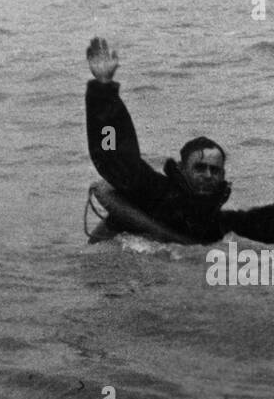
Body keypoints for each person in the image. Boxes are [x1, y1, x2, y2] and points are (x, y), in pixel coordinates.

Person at [84, 37, 231, 244]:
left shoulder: (211, 210)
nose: (208, 175)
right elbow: (113, 158)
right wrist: (104, 91)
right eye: (200, 168)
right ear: (182, 169)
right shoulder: (158, 192)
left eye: (215, 170)